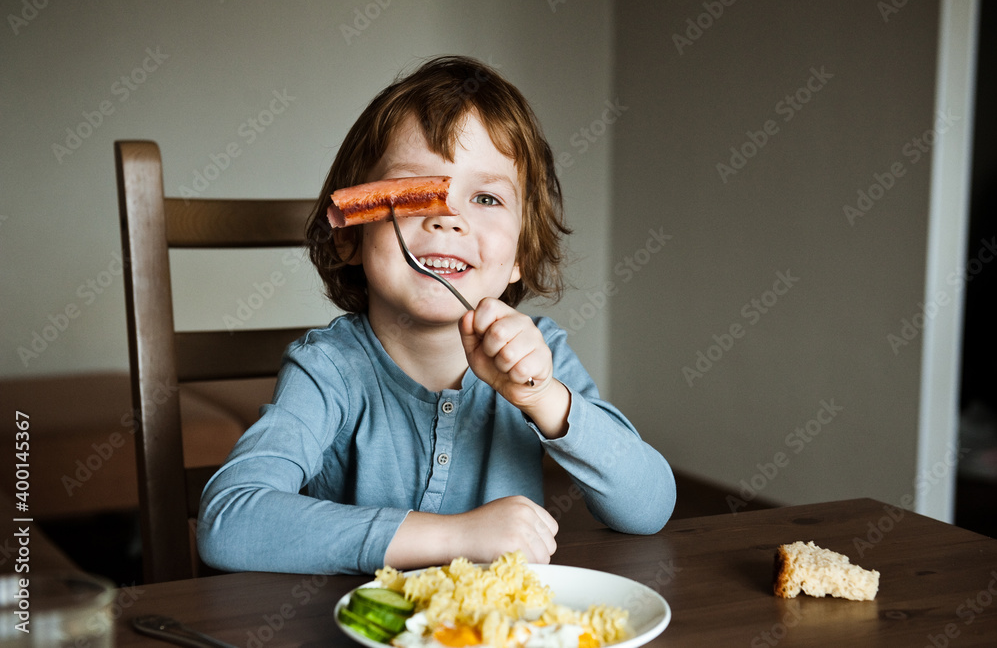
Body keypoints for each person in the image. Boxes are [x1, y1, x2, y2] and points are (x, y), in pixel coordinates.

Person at [197, 55, 675, 575]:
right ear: (351, 234)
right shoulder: (329, 370)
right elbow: (228, 524)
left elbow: (650, 508)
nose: (448, 217)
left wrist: (544, 398)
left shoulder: (543, 359)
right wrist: (457, 536)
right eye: (415, 193)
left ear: (518, 255)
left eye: (487, 197)